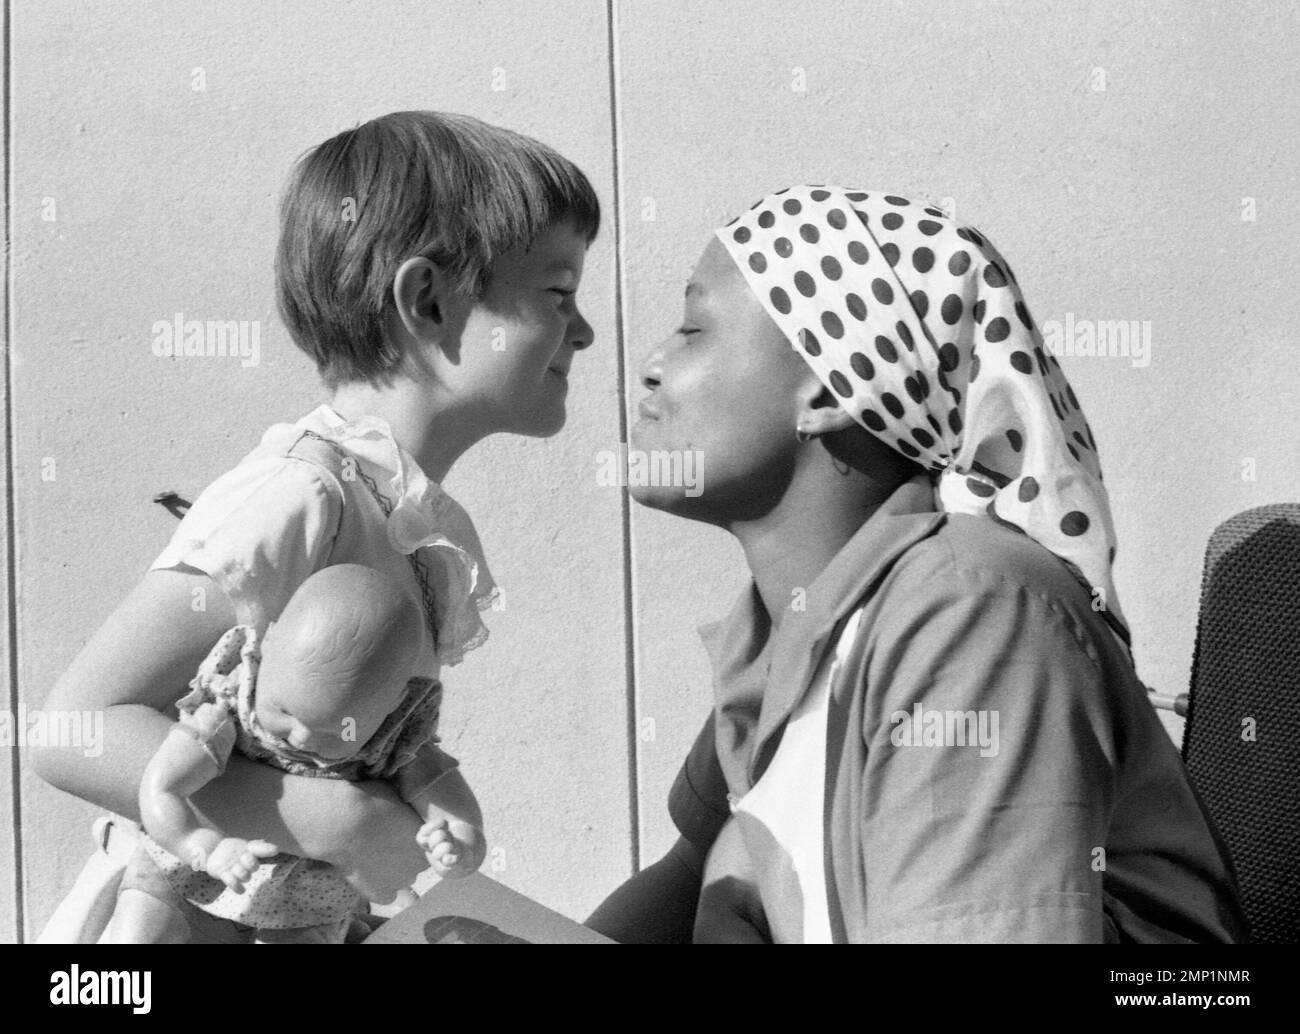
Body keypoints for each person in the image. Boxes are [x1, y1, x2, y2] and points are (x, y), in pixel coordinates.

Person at [586, 185, 1247, 943]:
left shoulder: (971, 611)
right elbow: (683, 885)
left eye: (693, 327)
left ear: (833, 385)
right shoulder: (793, 630)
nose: (651, 366)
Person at [34, 110, 598, 942]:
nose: (583, 330)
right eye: (559, 294)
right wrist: (335, 823)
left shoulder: (407, 526)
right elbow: (73, 731)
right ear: (428, 299)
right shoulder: (302, 496)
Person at [104, 564, 484, 944]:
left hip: (305, 905)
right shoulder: (231, 707)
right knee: (139, 929)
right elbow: (162, 787)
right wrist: (200, 846)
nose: (302, 738)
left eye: (338, 729)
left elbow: (450, 805)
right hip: (193, 869)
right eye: (285, 712)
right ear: (268, 646)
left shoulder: (394, 739)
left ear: (393, 705)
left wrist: (459, 847)